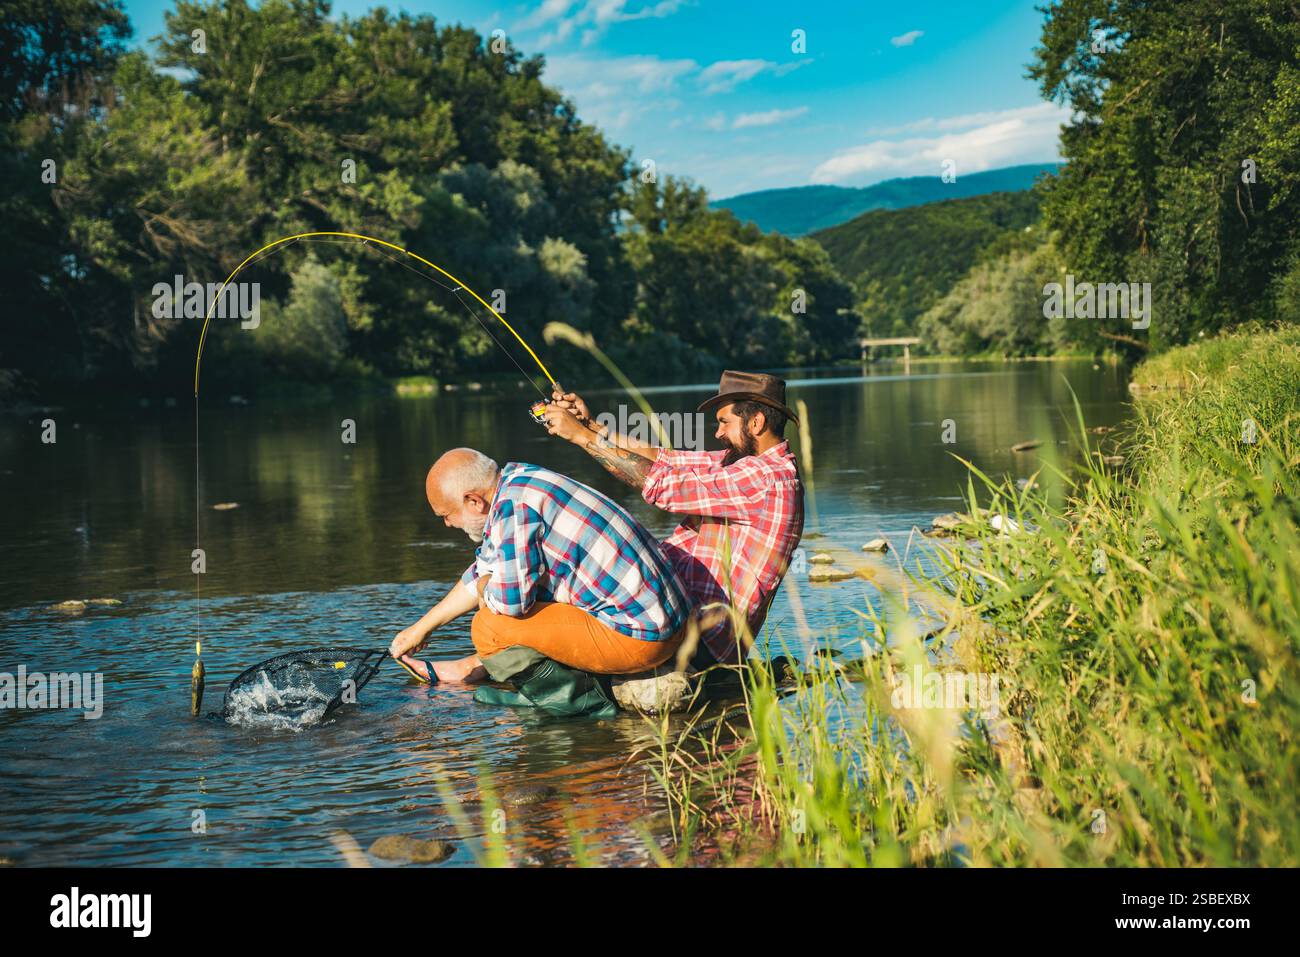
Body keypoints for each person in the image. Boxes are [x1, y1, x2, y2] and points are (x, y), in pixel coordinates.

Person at [542, 371, 804, 673]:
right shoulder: (742, 465)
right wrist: (591, 427)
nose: (718, 433)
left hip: (700, 642)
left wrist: (581, 437)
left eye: (724, 422)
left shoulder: (766, 478)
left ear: (756, 422)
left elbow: (662, 484)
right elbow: (663, 459)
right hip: (680, 619)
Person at [388, 447, 692, 684]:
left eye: (446, 514)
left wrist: (485, 587)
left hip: (646, 637)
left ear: (473, 501)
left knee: (489, 627)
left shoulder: (515, 510)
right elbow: (483, 568)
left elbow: (509, 604)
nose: (447, 524)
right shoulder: (518, 480)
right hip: (668, 620)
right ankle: (473, 666)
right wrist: (421, 628)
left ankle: (577, 698)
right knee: (515, 592)